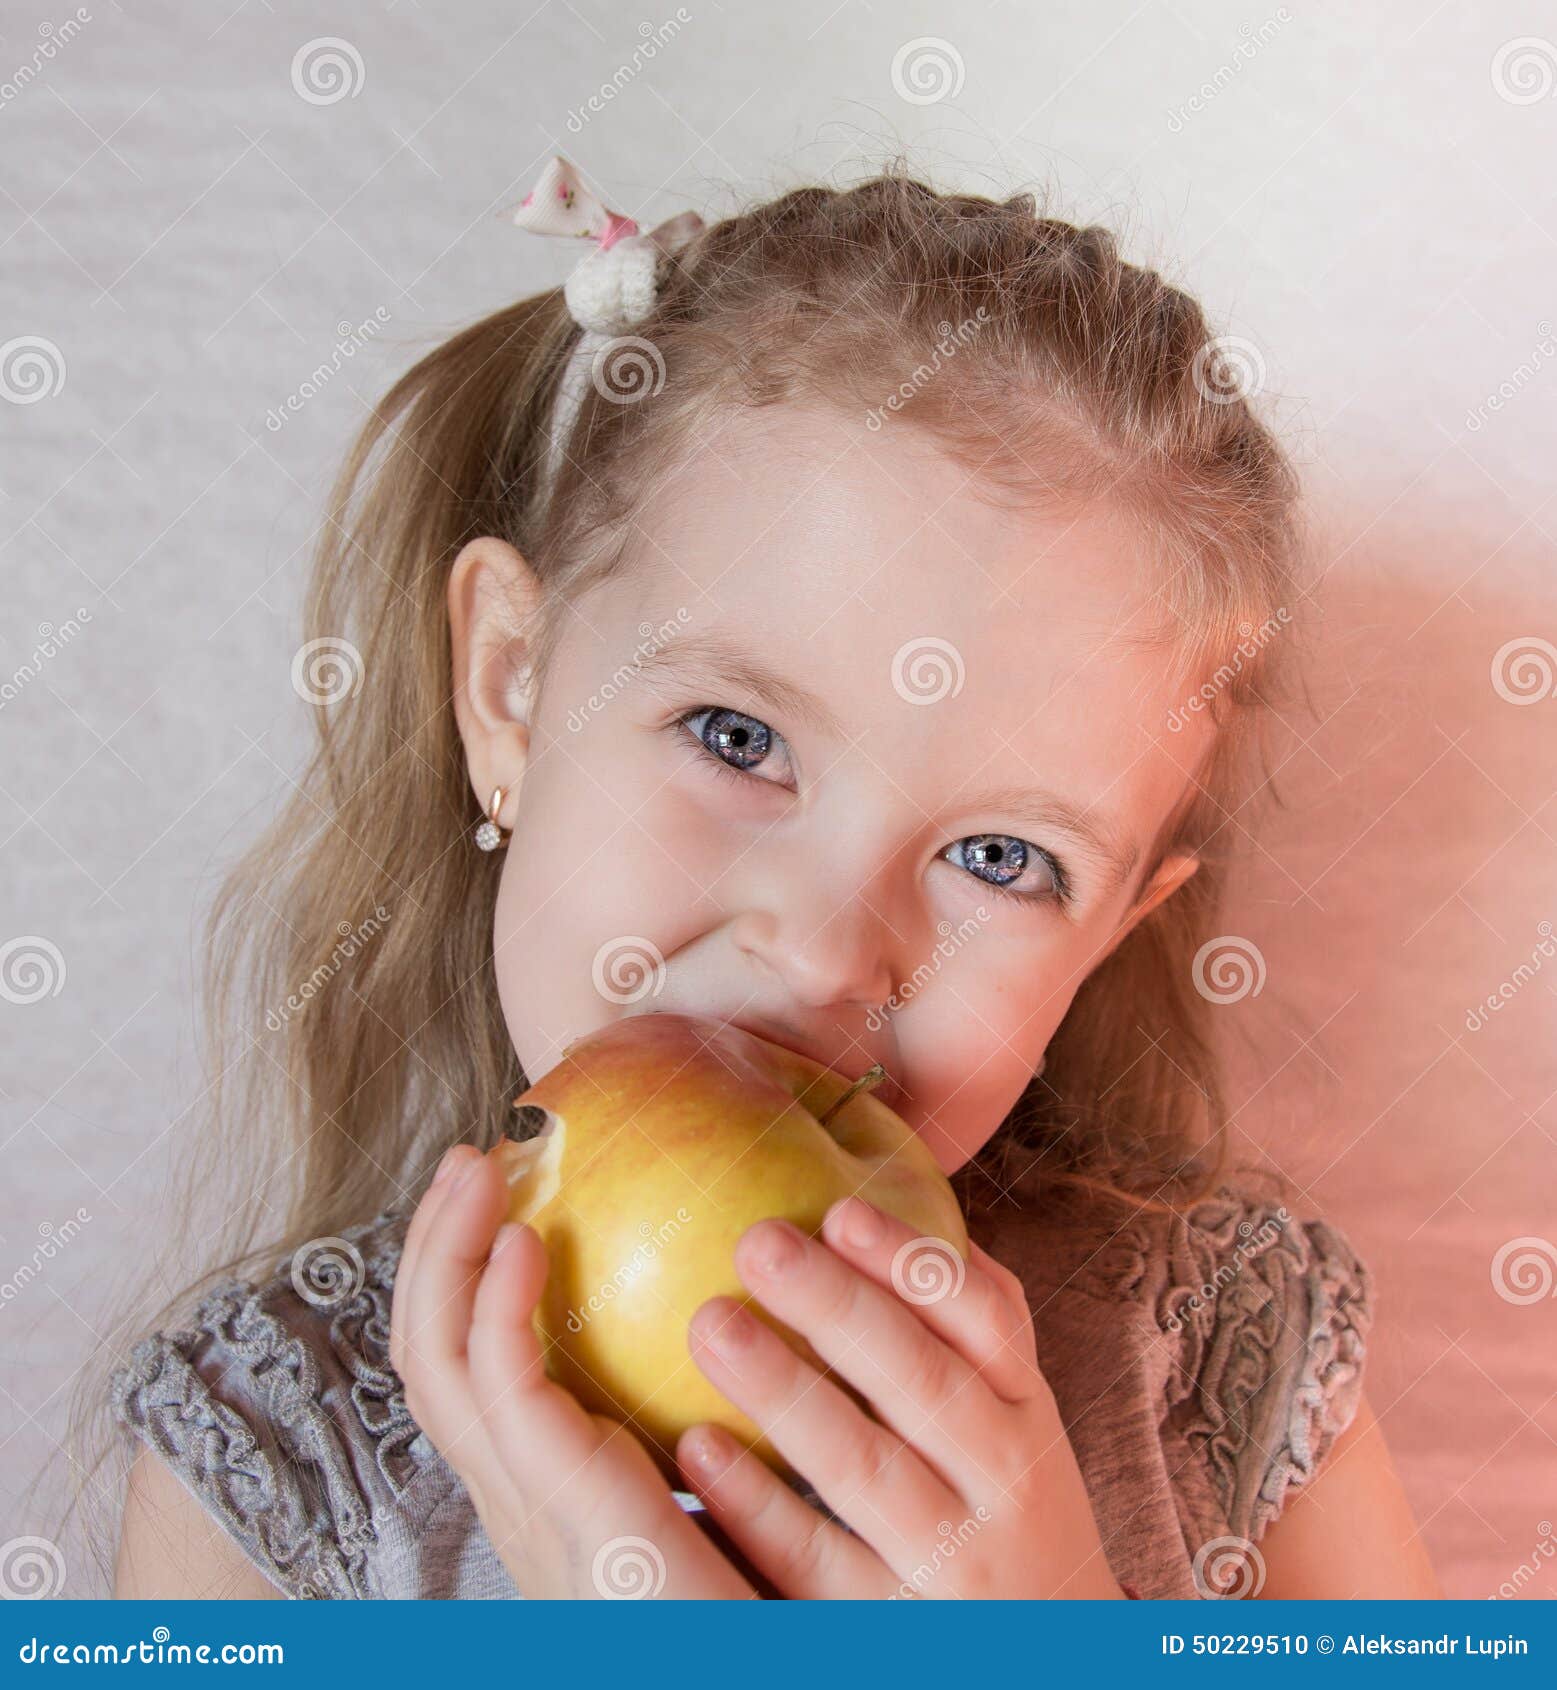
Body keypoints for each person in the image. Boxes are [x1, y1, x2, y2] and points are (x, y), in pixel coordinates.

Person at [94, 155, 1440, 1599]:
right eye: (738, 738)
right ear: (509, 688)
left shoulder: (1221, 1367)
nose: (822, 951)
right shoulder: (273, 1447)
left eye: (999, 858)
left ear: (1110, 930)